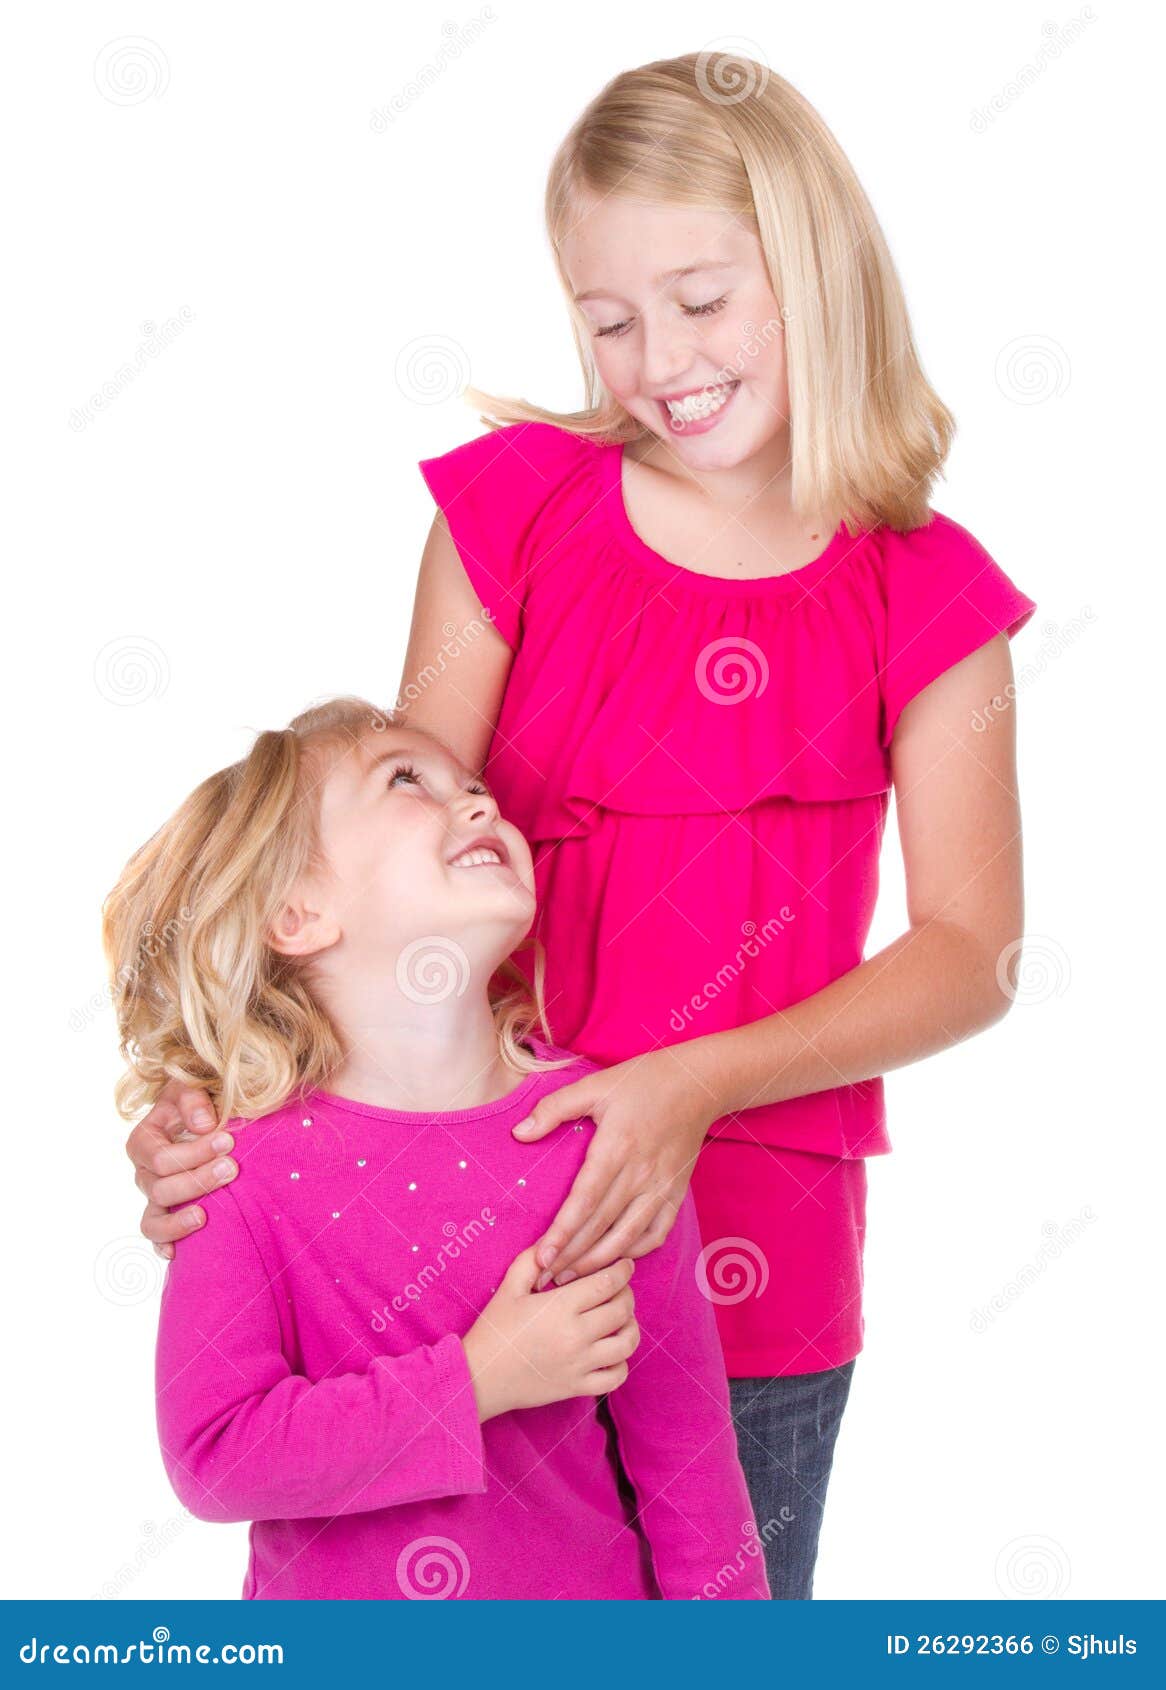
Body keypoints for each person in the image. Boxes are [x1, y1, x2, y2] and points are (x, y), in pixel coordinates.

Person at [124, 53, 1037, 1598]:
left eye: (698, 300)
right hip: (443, 1258)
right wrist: (217, 1114)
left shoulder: (926, 592)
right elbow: (369, 853)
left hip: (757, 1254)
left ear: (811, 269)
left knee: (721, 1604)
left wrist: (688, 1084)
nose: (653, 359)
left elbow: (968, 952)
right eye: (605, 322)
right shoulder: (513, 514)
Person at [103, 700, 769, 1600]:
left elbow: (687, 1461)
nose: (480, 804)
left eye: (477, 788)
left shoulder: (604, 1137)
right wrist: (480, 1380)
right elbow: (217, 1456)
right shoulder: (234, 1168)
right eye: (405, 780)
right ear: (296, 912)